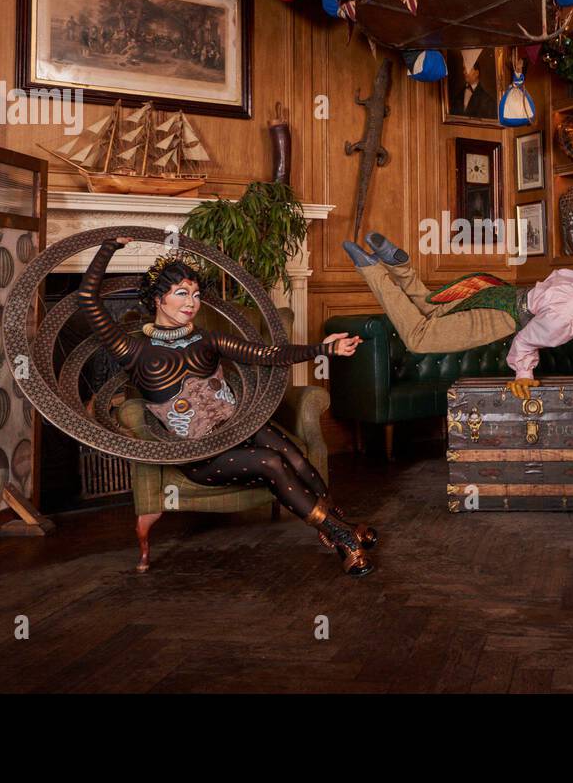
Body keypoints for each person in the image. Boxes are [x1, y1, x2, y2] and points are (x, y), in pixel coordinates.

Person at [77, 237, 377, 576]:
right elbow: (87, 299)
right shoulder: (132, 351)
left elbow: (268, 354)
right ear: (159, 299)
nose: (192, 302)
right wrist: (108, 247)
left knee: (292, 452)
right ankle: (342, 538)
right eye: (181, 293)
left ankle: (338, 523)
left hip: (241, 430)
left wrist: (324, 350)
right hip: (201, 454)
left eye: (196, 295)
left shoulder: (208, 339)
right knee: (271, 462)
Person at [344, 233, 573, 399]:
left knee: (430, 307)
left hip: (494, 289)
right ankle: (372, 269)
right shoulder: (565, 318)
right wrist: (523, 375)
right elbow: (523, 342)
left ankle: (397, 262)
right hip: (501, 315)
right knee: (419, 337)